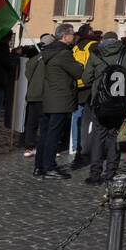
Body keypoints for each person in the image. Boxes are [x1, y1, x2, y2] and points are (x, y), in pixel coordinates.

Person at [83, 31, 126, 184]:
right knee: (115, 136)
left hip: (100, 103)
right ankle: (111, 173)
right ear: (117, 40)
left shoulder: (96, 53)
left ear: (103, 40)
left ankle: (95, 174)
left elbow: (86, 78)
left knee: (98, 136)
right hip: (120, 103)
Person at [38, 24, 83, 179]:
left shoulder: (49, 51)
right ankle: (49, 166)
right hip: (60, 99)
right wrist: (80, 64)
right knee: (53, 134)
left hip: (49, 97)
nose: (74, 37)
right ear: (65, 36)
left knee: (45, 133)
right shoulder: (63, 53)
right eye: (72, 34)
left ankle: (40, 165)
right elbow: (78, 72)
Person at [69, 26, 96, 165]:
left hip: (77, 84)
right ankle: (91, 147)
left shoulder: (76, 46)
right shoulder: (93, 45)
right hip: (90, 85)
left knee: (77, 116)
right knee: (94, 117)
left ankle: (75, 146)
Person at [22, 35, 52, 158]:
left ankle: (29, 146)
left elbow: (27, 73)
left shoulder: (33, 58)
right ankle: (44, 146)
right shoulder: (48, 57)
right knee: (45, 122)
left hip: (32, 94)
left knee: (31, 122)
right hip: (43, 94)